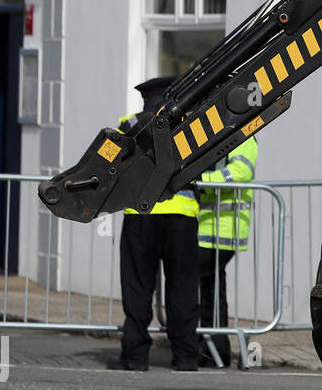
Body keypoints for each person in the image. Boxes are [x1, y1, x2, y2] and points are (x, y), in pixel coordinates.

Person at [110, 76, 202, 372]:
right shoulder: (191, 125)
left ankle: (135, 356)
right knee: (183, 287)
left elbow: (110, 164)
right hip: (182, 217)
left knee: (137, 287)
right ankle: (186, 356)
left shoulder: (129, 124)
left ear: (145, 98)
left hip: (140, 215)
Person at [195, 135, 258, 367]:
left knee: (191, 283)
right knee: (212, 288)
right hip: (210, 226)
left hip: (223, 228)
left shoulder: (243, 137)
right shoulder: (224, 137)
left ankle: (205, 346)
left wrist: (202, 180)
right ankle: (214, 349)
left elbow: (241, 171)